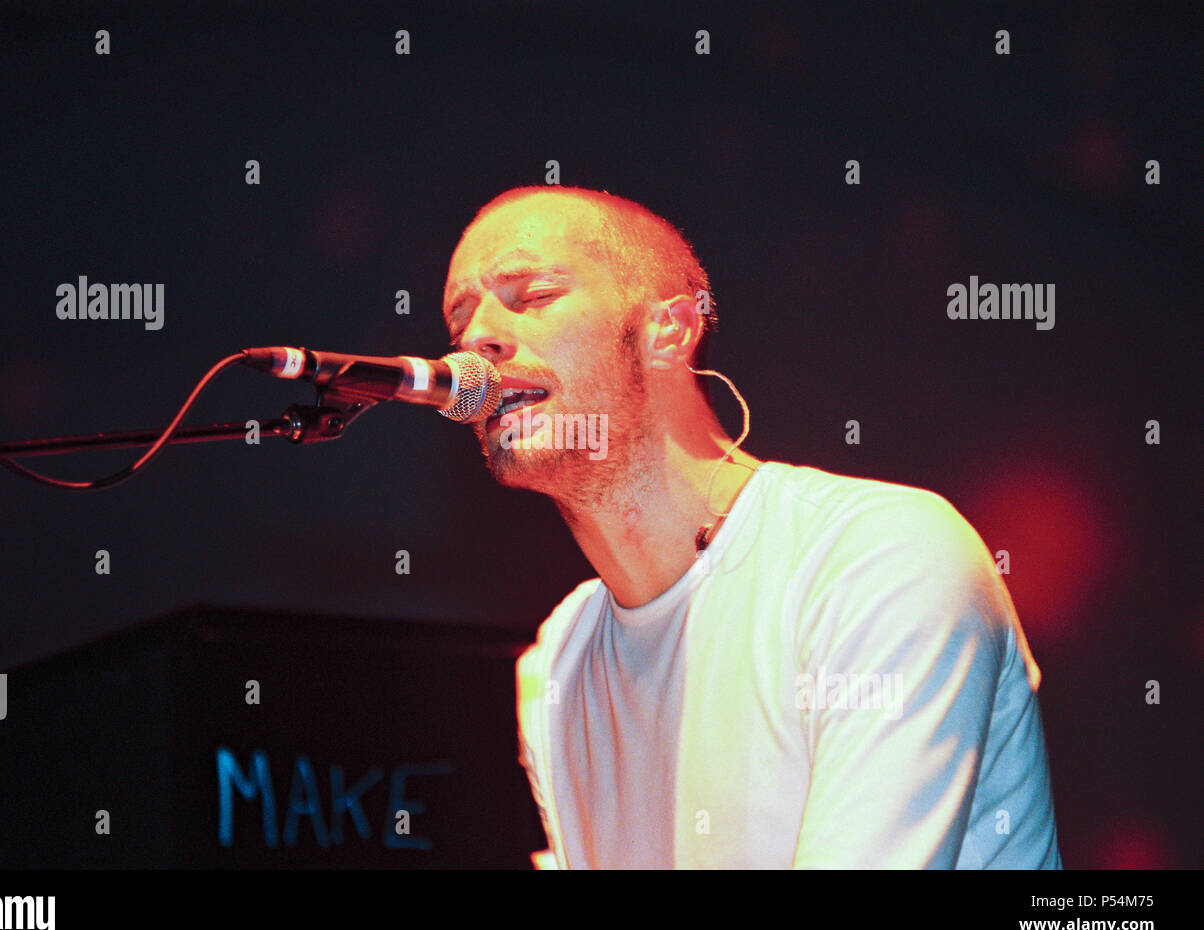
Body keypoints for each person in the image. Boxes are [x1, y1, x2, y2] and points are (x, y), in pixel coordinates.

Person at [442, 184, 1062, 869]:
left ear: (669, 329)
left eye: (531, 294)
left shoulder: (877, 556)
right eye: (458, 322)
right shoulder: (557, 661)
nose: (476, 340)